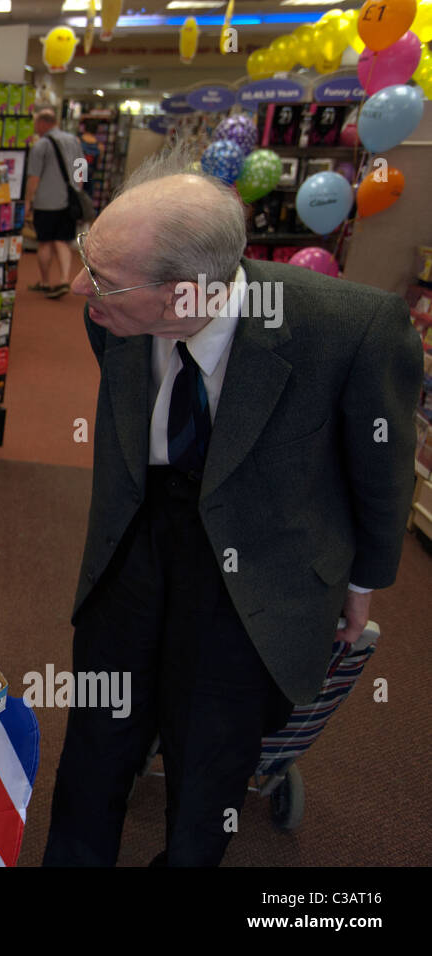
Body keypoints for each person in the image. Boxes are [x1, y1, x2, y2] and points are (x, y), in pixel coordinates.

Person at [43, 152, 422, 867]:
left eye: (104, 279)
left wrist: (362, 584)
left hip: (258, 558)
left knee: (211, 750)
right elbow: (130, 375)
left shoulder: (350, 329)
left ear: (185, 296)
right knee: (100, 730)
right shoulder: (113, 315)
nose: (81, 289)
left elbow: (382, 469)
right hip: (137, 537)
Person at [24, 108, 86, 299]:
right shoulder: (73, 141)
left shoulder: (41, 145)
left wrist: (28, 201)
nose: (35, 128)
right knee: (62, 241)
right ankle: (64, 279)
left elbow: (34, 177)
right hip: (68, 201)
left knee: (45, 243)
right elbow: (81, 168)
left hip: (46, 201)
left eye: (36, 124)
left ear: (43, 123)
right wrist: (77, 190)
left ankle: (44, 282)